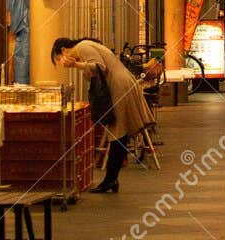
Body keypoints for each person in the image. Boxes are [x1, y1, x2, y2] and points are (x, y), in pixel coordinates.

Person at [52, 37, 154, 194]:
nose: (62, 64)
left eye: (59, 59)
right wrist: (79, 65)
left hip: (119, 86)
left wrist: (75, 64)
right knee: (119, 133)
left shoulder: (83, 47)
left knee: (118, 133)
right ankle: (111, 179)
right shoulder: (84, 48)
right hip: (120, 84)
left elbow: (100, 67)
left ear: (64, 50)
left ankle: (110, 179)